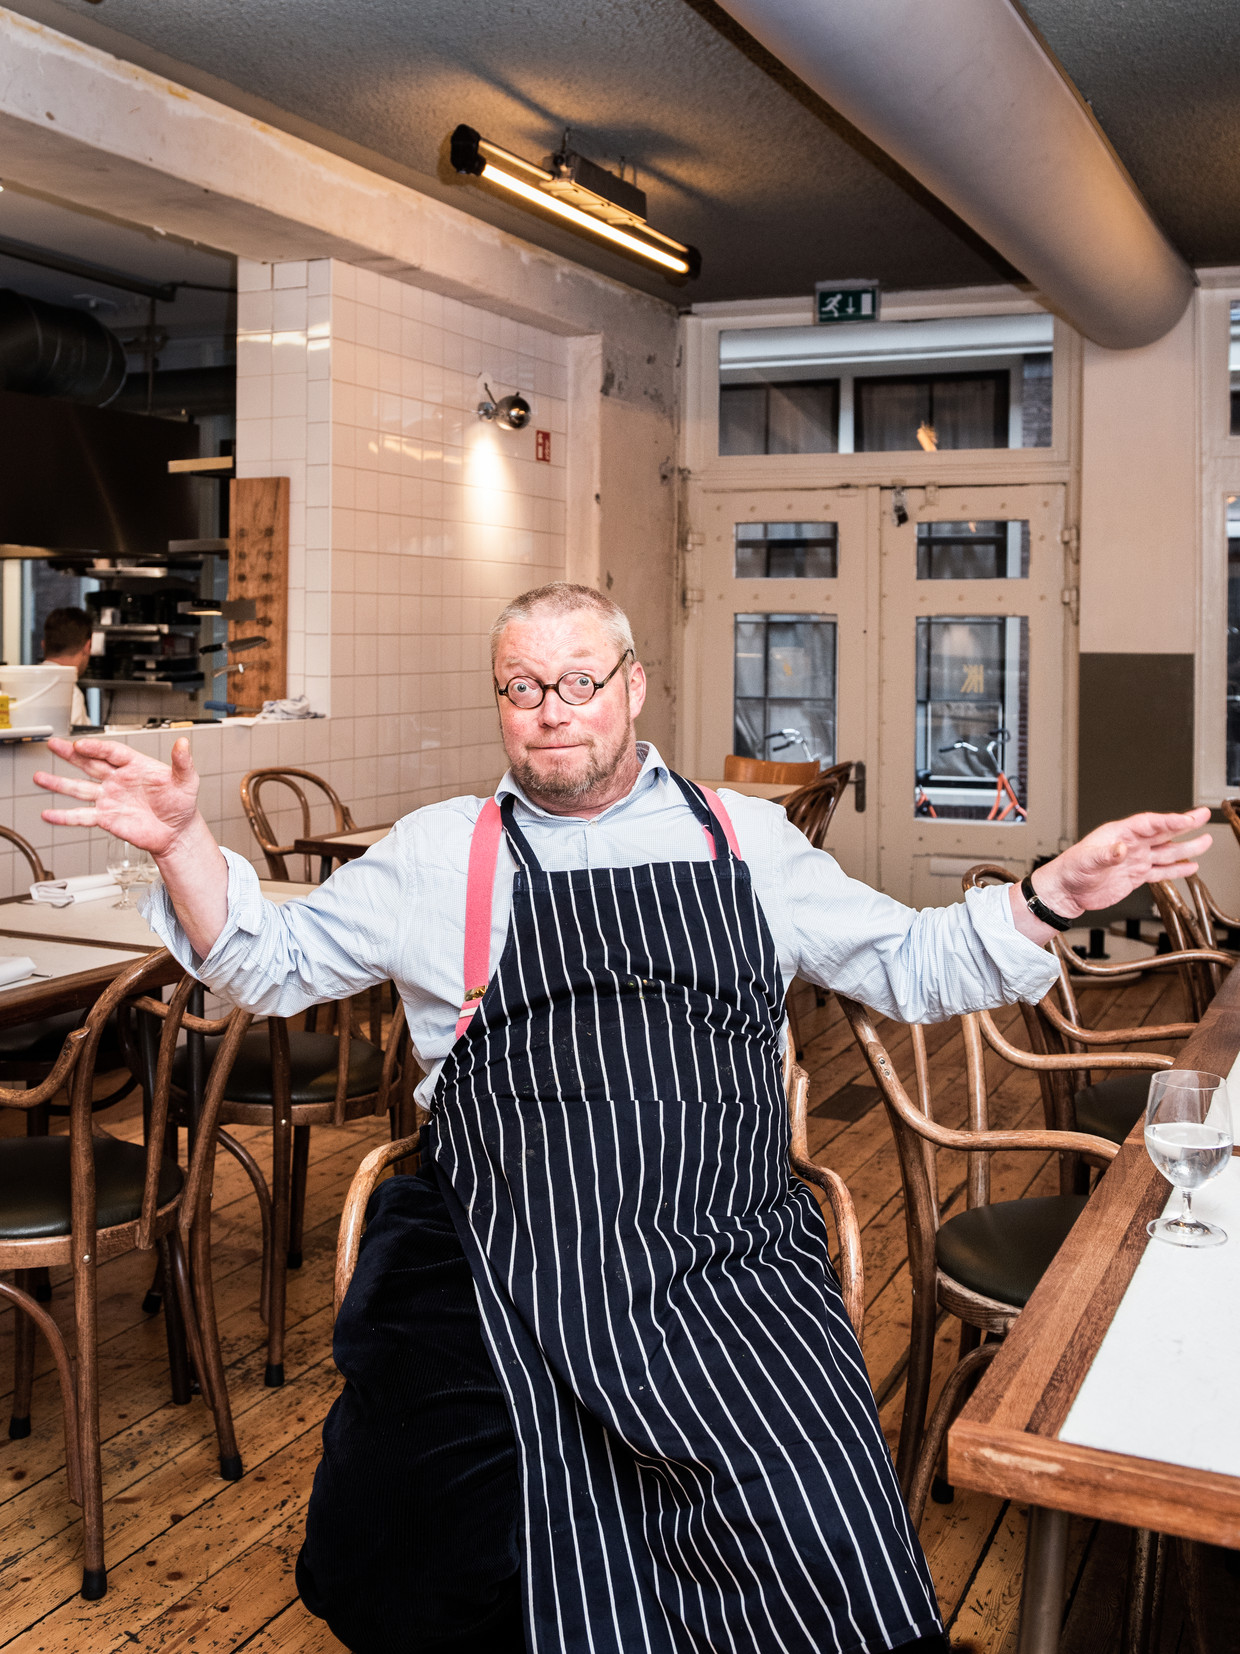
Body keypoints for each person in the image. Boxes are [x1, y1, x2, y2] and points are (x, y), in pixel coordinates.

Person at [33, 582, 1210, 1654]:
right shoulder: (440, 853)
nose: (552, 712)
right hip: (501, 1238)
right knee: (425, 1526)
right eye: (523, 688)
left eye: (580, 683)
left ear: (633, 686)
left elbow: (912, 961)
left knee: (806, 1503)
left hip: (723, 1239)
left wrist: (1052, 893)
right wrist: (186, 840)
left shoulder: (742, 840)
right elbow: (264, 963)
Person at [41, 606, 93, 729]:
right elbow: (73, 744)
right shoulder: (70, 693)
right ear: (88, 646)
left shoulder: (21, 684)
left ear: (43, 645)